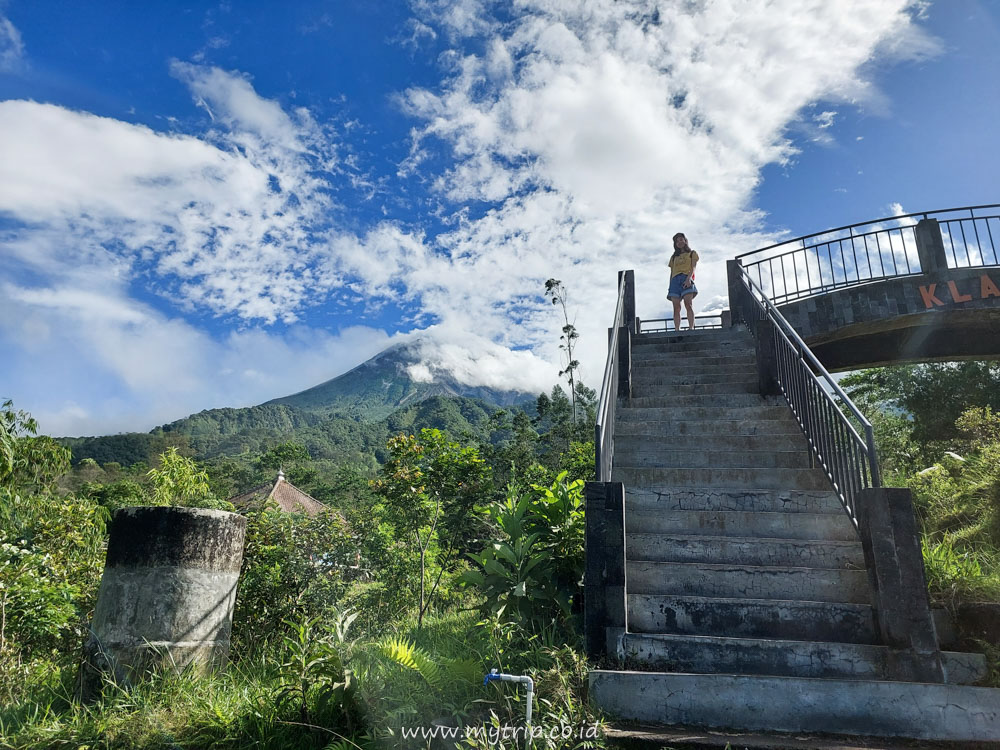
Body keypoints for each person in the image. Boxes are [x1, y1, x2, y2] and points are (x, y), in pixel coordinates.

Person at [667, 232, 699, 331]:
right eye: (677, 241)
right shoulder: (673, 257)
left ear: (685, 241)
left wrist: (689, 278)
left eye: (681, 239)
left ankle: (691, 327)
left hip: (686, 277)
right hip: (675, 280)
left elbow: (693, 267)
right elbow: (672, 272)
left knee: (688, 304)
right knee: (676, 307)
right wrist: (670, 285)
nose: (679, 242)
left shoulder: (692, 253)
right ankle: (677, 329)